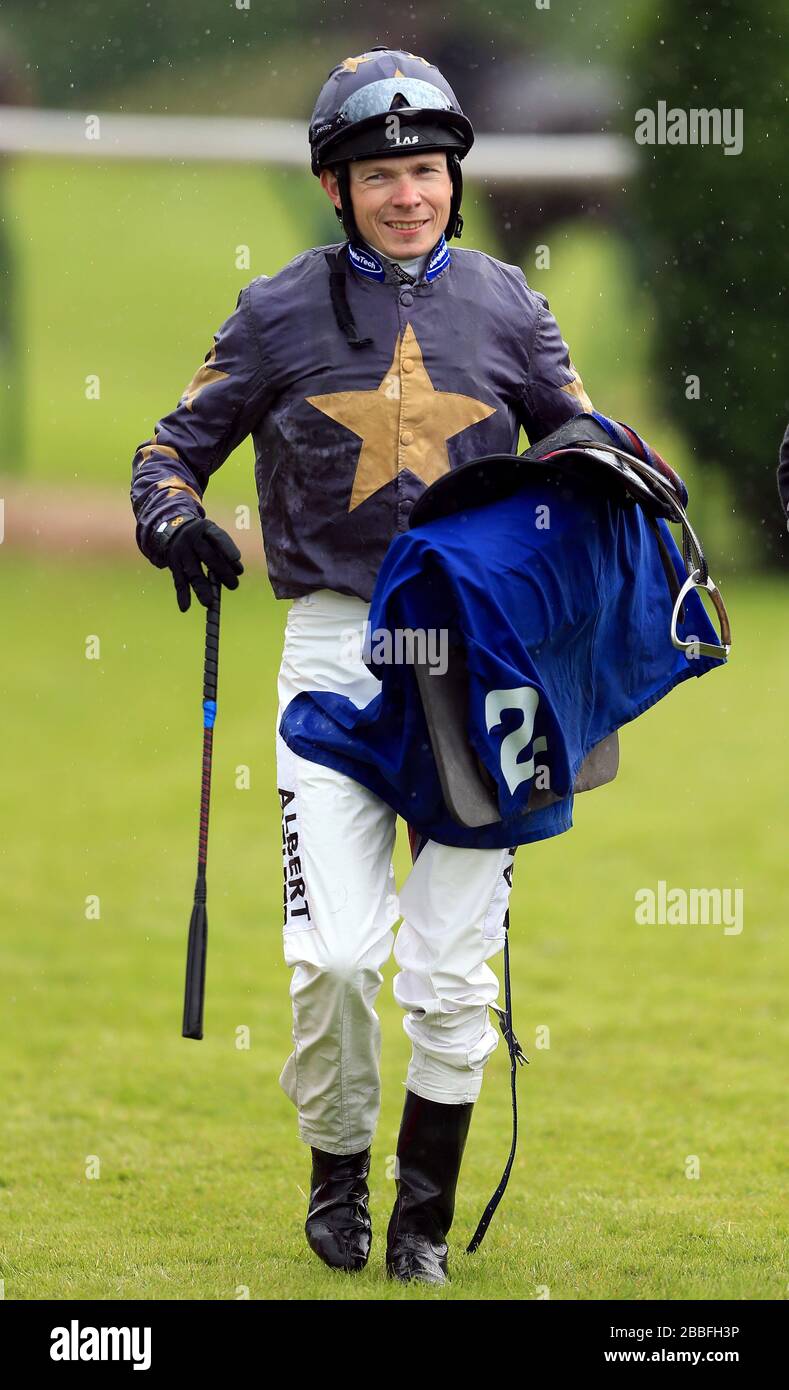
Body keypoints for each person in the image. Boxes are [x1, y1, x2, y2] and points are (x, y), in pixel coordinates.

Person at [130, 47, 598, 1285]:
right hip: (337, 652)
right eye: (382, 174)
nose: (409, 195)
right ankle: (337, 1166)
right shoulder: (276, 310)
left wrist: (636, 486)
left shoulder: (510, 305)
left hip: (483, 662)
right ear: (336, 187)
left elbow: (586, 440)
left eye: (428, 171)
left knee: (448, 979)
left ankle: (422, 1227)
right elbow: (169, 450)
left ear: (455, 176)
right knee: (336, 958)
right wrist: (173, 516)